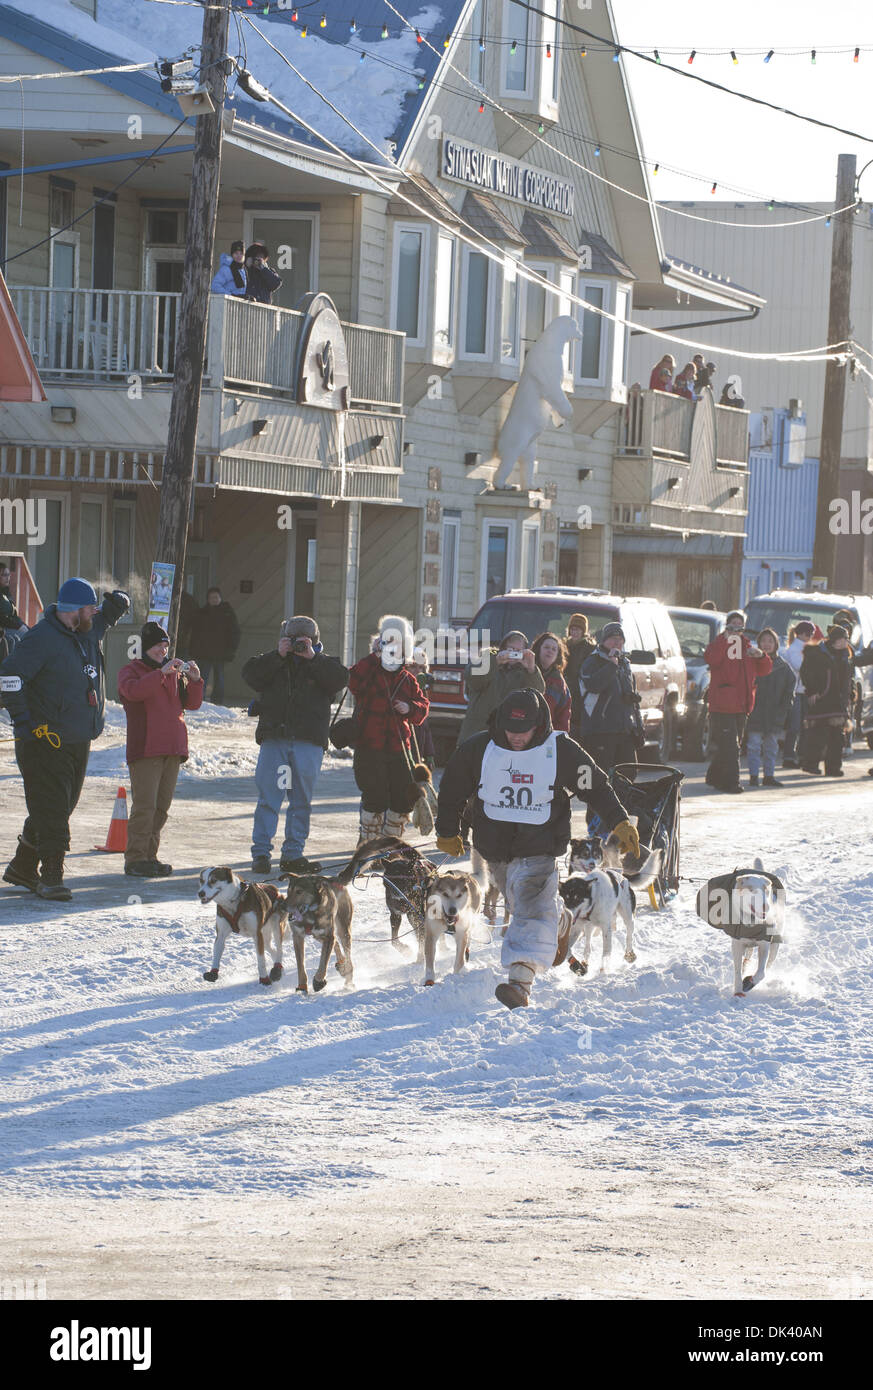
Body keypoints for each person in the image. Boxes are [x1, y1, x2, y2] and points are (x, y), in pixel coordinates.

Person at [435, 689, 640, 1011]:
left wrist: (620, 821)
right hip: (495, 848)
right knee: (520, 905)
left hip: (540, 846)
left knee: (529, 909)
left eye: (524, 730)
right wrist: (447, 831)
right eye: (510, 730)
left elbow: (595, 787)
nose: (516, 737)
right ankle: (560, 921)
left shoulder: (560, 750)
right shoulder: (478, 748)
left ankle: (520, 981)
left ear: (540, 724)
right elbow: (452, 789)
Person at [1, 577, 130, 899]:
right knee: (55, 811)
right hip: (43, 741)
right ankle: (51, 876)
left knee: (56, 808)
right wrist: (25, 722)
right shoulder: (41, 639)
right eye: (91, 608)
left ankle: (22, 867)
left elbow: (104, 619)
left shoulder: (85, 631)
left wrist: (117, 605)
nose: (95, 613)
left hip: (76, 738)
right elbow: (9, 678)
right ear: (74, 610)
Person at [243, 616, 348, 875]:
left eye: (304, 641)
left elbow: (340, 680)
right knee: (269, 798)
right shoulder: (275, 662)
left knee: (301, 801)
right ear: (285, 639)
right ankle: (261, 854)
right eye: (293, 640)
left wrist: (313, 658)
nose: (299, 645)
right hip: (275, 741)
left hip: (308, 743)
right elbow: (251, 675)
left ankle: (293, 854)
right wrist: (278, 655)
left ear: (315, 641)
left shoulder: (325, 664)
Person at [117, 622, 204, 877]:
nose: (162, 651)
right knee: (144, 806)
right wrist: (161, 673)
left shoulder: (173, 674)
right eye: (157, 646)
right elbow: (133, 692)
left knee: (161, 808)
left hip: (172, 748)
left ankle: (149, 856)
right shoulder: (130, 671)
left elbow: (193, 704)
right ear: (145, 647)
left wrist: (196, 681)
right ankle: (135, 858)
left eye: (165, 646)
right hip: (146, 748)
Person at [349, 614, 429, 844]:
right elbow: (354, 683)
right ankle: (367, 844)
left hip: (399, 749)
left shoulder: (407, 678)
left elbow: (422, 709)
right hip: (369, 746)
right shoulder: (370, 670)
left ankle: (390, 844)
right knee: (374, 797)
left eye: (399, 644)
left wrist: (409, 707)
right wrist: (373, 657)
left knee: (402, 798)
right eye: (389, 642)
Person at [703, 609, 772, 793]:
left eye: (739, 624)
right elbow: (711, 659)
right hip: (722, 705)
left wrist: (762, 656)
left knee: (731, 745)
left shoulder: (748, 646)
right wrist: (724, 640)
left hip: (742, 705)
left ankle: (714, 777)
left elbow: (764, 670)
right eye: (732, 623)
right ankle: (731, 782)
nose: (736, 628)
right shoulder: (719, 643)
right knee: (731, 747)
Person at [458, 630, 545, 744]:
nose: (513, 653)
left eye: (518, 651)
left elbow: (538, 695)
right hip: (476, 732)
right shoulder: (487, 659)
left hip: (505, 738)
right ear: (503, 648)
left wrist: (531, 669)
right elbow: (472, 678)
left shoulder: (526, 673)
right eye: (510, 649)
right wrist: (496, 661)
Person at [578, 622, 644, 772]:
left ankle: (623, 796)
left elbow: (632, 698)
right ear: (603, 640)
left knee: (629, 773)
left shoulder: (625, 664)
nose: (617, 642)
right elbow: (593, 685)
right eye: (613, 638)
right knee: (601, 776)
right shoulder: (592, 661)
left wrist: (639, 727)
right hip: (600, 731)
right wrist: (611, 665)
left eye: (620, 638)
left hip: (624, 730)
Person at [744, 628, 795, 787]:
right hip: (755, 712)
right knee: (753, 746)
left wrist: (783, 712)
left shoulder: (783, 667)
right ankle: (753, 776)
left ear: (776, 644)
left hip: (774, 714)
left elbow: (789, 692)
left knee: (771, 747)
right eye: (763, 641)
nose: (766, 645)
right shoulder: (752, 663)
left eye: (770, 641)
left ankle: (769, 776)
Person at [800, 625, 853, 778]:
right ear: (836, 640)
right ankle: (810, 764)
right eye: (844, 639)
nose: (846, 642)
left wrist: (850, 695)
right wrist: (812, 691)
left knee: (837, 737)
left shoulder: (845, 656)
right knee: (818, 734)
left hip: (838, 702)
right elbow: (807, 672)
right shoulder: (817, 653)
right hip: (821, 699)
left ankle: (833, 768)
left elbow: (848, 679)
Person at [190, 586, 240, 705]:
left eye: (216, 597)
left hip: (221, 652)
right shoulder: (202, 613)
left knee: (219, 678)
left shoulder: (227, 612)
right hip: (204, 652)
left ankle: (217, 702)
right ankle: (200, 700)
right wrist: (193, 649)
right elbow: (196, 633)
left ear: (220, 598)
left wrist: (231, 649)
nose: (214, 599)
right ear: (208, 599)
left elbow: (235, 632)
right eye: (212, 597)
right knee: (202, 677)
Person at [781, 620, 817, 767]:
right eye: (809, 634)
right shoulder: (795, 649)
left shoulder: (804, 648)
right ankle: (789, 756)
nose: (810, 636)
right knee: (795, 726)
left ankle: (800, 755)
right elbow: (800, 666)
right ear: (801, 633)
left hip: (805, 691)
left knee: (804, 725)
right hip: (796, 691)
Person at [530, 631, 571, 732]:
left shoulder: (560, 684)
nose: (550, 651)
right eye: (546, 647)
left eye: (554, 649)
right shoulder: (525, 672)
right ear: (538, 649)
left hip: (545, 736)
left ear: (557, 655)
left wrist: (557, 739)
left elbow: (563, 718)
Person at [564, 612, 596, 738]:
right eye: (572, 629)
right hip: (566, 688)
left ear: (583, 631)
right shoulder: (564, 646)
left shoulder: (588, 647)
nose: (574, 632)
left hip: (580, 692)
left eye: (578, 629)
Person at [406, 644, 436, 769]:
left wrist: (429, 754)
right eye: (413, 666)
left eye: (421, 668)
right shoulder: (398, 689)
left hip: (418, 750)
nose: (418, 671)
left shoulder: (421, 692)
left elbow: (425, 726)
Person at [0, 560, 26, 650]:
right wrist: (18, 626)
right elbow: (2, 618)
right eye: (4, 575)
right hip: (3, 629)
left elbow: (14, 614)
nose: (8, 578)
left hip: (11, 626)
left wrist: (23, 625)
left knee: (32, 634)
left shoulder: (6, 592)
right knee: (19, 639)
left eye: (8, 575)